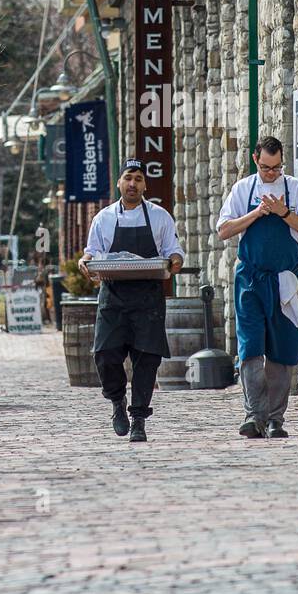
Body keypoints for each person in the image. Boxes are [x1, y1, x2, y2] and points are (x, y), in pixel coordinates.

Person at [216, 136, 298, 438]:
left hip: (284, 280)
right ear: (254, 160)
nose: (271, 173)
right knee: (250, 348)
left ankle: (275, 418)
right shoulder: (243, 189)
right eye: (265, 168)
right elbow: (223, 230)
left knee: (281, 350)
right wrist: (257, 213)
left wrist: (284, 213)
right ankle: (253, 414)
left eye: (276, 168)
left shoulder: (294, 188)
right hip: (250, 279)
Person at [80, 159, 184, 443]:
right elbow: (93, 253)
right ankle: (117, 402)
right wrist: (85, 262)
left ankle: (139, 418)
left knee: (147, 360)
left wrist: (174, 261)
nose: (133, 184)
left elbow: (173, 251)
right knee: (104, 354)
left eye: (138, 179)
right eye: (128, 178)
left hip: (148, 299)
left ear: (144, 185)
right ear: (119, 183)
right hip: (113, 296)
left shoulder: (160, 217)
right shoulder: (103, 218)